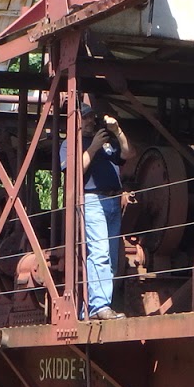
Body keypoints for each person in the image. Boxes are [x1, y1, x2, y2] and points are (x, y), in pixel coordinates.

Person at [61, 98, 130, 321]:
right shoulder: (70, 144)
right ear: (76, 121)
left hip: (112, 200)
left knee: (110, 256)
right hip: (92, 201)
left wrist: (117, 132)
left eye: (91, 116)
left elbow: (128, 154)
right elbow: (73, 172)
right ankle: (99, 306)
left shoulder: (106, 141)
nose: (90, 121)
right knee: (99, 254)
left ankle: (98, 303)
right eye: (85, 117)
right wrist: (93, 147)